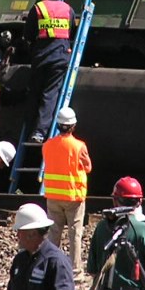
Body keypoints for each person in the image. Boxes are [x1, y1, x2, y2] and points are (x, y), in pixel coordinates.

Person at [23, 0, 75, 143]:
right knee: (50, 94)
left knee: (34, 93)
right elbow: (71, 32)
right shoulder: (68, 9)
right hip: (60, 57)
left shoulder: (38, 9)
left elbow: (28, 35)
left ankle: (29, 129)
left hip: (41, 58)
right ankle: (39, 133)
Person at [42, 106, 92, 276]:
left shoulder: (47, 145)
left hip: (53, 196)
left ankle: (50, 267)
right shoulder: (79, 146)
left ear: (58, 125)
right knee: (74, 233)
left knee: (53, 232)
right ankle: (76, 270)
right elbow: (88, 167)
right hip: (73, 197)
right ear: (73, 126)